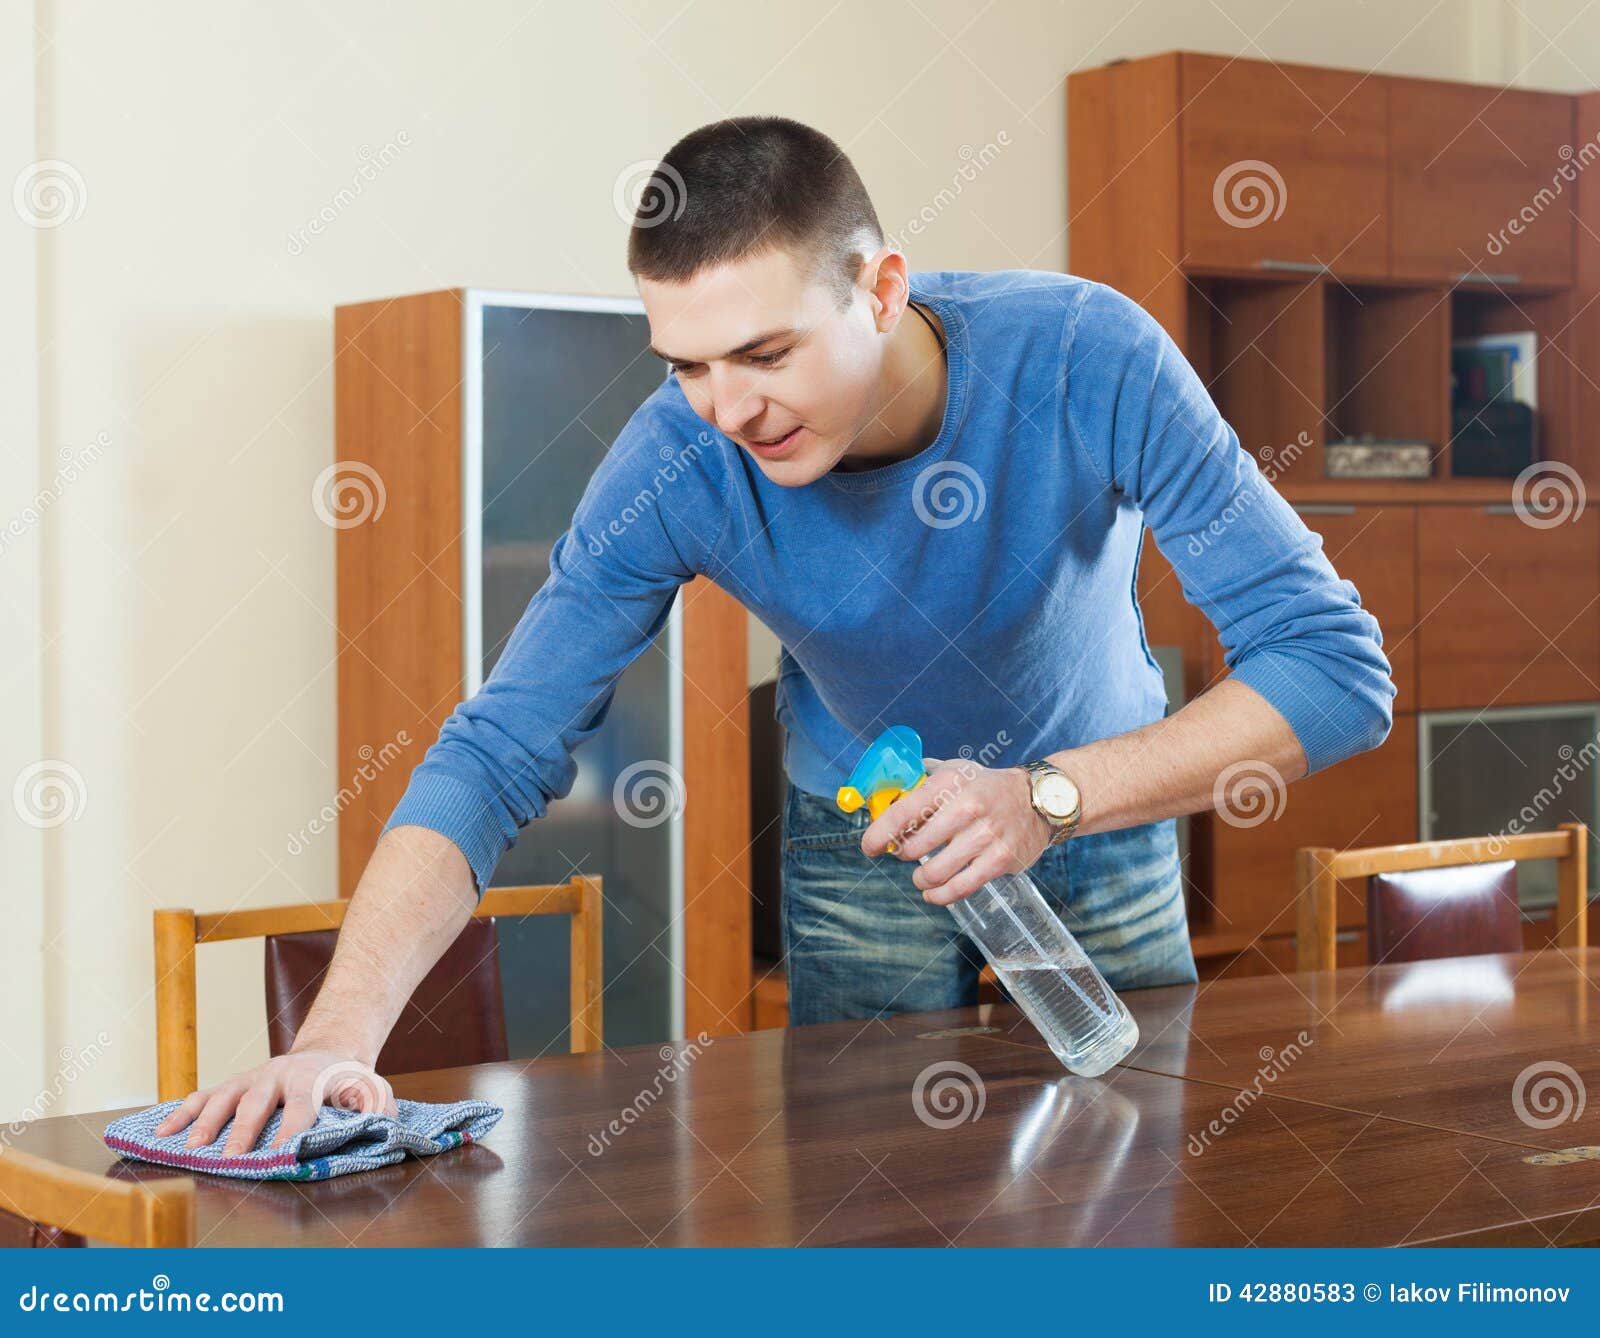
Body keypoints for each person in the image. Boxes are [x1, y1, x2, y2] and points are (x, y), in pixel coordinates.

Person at [155, 115, 1394, 1154]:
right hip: (864, 844)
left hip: (1099, 819)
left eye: (763, 352)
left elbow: (1333, 673)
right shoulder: (677, 460)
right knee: (878, 1204)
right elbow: (495, 750)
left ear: (882, 288)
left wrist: (1049, 798)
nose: (728, 409)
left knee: (1125, 1179)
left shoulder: (1085, 354)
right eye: (686, 364)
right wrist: (331, 1042)